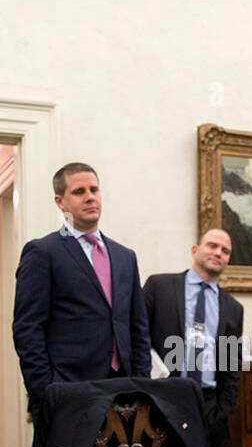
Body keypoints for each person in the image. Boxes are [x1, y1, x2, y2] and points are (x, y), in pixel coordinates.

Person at [11, 163, 151, 412]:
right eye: (79, 192)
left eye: (94, 190)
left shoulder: (125, 256)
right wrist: (45, 390)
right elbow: (27, 328)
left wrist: (141, 383)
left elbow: (138, 327)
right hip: (68, 390)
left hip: (126, 389)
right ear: (60, 201)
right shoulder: (43, 252)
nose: (90, 197)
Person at [142, 229, 244, 447]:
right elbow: (137, 339)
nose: (218, 253)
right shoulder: (159, 287)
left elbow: (231, 364)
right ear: (195, 250)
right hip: (161, 401)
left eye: (225, 250)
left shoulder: (233, 308)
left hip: (208, 406)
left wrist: (222, 411)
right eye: (212, 246)